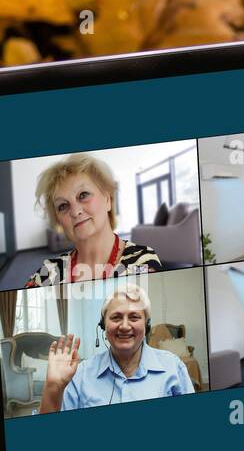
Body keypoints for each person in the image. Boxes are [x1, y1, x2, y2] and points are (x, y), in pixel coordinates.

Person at [37, 283, 194, 413]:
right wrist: (53, 388)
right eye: (116, 317)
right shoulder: (80, 375)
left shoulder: (173, 367)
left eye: (134, 317)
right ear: (103, 325)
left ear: (146, 325)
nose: (125, 326)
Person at [25, 154, 162, 287]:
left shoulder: (142, 262)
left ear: (108, 199)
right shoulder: (48, 272)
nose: (75, 211)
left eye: (83, 195)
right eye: (63, 206)